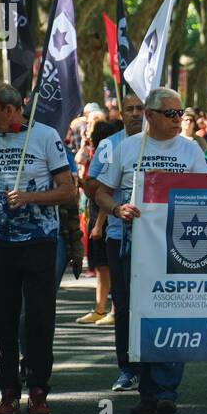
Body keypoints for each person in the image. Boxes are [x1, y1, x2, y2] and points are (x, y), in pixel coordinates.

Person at [95, 88, 207, 414]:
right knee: (136, 315)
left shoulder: (190, 151)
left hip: (178, 245)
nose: (178, 120)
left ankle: (166, 391)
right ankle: (146, 389)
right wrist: (117, 210)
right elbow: (101, 192)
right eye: (170, 114)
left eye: (180, 113)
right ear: (150, 116)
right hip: (132, 246)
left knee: (172, 312)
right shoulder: (127, 148)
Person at [0, 81, 76, 414]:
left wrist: (31, 197)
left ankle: (37, 389)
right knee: (1, 318)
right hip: (0, 241)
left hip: (39, 241)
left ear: (10, 109)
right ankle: (7, 390)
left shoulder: (46, 137)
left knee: (37, 317)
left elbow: (69, 191)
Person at [81, 95, 143, 382]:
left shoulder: (165, 144)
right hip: (120, 236)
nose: (134, 114)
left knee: (155, 303)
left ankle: (156, 371)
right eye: (128, 109)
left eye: (140, 109)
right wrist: (113, 183)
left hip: (159, 239)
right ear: (120, 112)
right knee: (124, 303)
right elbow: (92, 186)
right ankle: (127, 368)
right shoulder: (110, 145)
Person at [76, 119, 122, 327]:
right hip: (96, 212)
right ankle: (100, 307)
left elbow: (107, 192)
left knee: (112, 267)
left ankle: (114, 309)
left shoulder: (114, 154)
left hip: (107, 216)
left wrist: (98, 225)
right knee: (101, 266)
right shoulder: (98, 155)